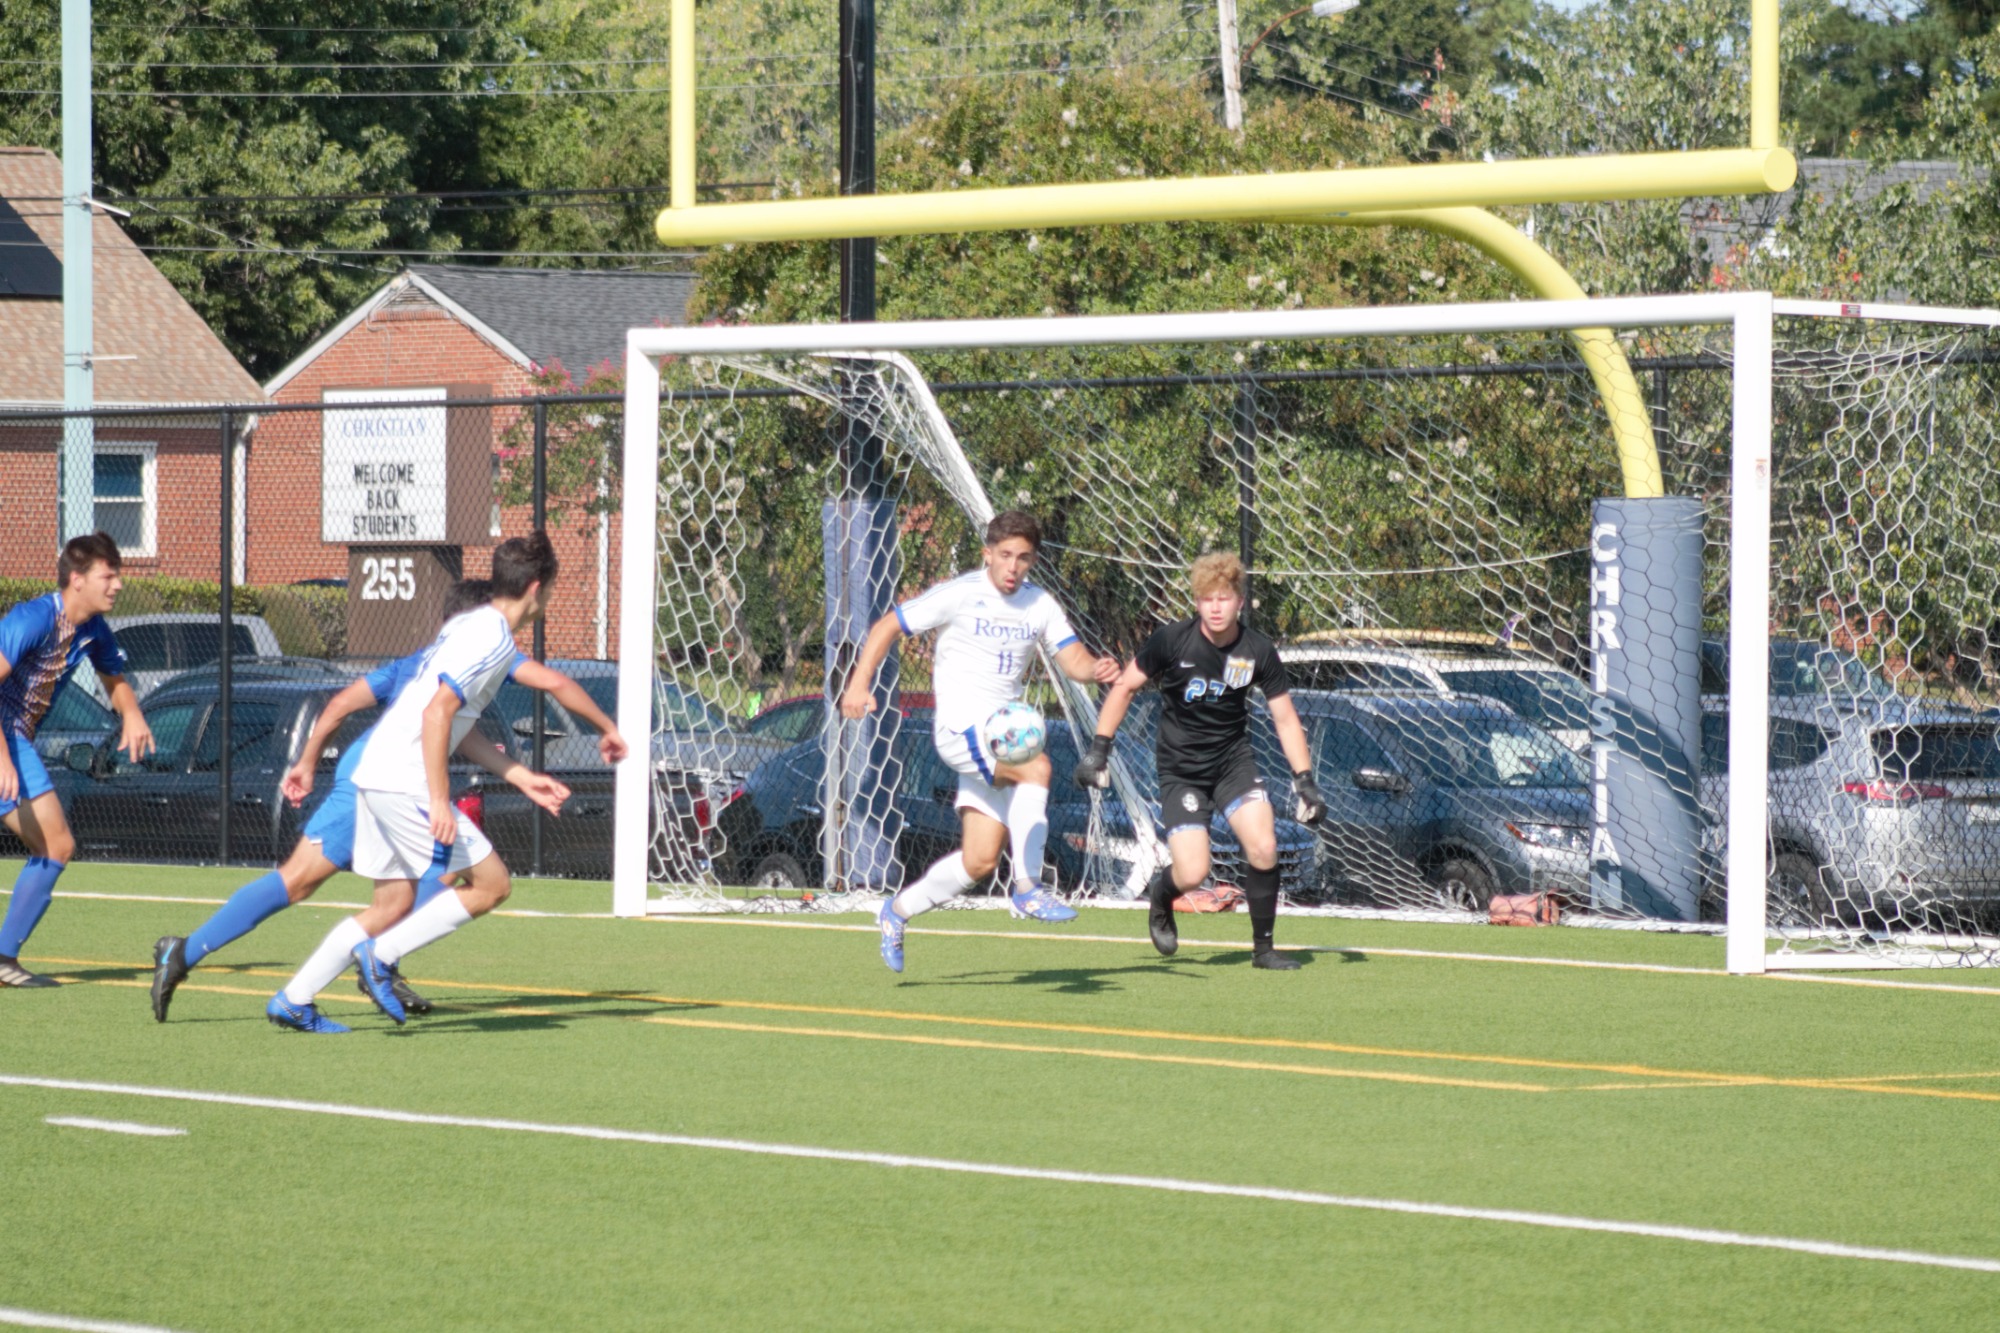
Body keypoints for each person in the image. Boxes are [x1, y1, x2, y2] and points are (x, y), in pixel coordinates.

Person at [147, 579, 611, 1022]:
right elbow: (552, 682)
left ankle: (373, 964)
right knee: (310, 881)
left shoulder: (419, 661)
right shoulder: (485, 649)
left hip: (374, 771)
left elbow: (342, 706)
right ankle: (198, 953)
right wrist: (607, 730)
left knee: (427, 878)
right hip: (380, 780)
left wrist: (308, 762)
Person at [269, 532, 626, 1033]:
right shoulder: (491, 638)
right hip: (405, 780)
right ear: (536, 588)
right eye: (551, 589)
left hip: (377, 772)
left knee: (392, 903)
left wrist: (521, 776)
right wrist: (439, 800)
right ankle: (380, 958)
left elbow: (458, 726)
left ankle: (294, 999)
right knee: (493, 884)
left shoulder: (469, 626)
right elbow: (437, 714)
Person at [841, 510, 1120, 973]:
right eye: (1005, 555)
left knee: (979, 861)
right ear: (986, 554)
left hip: (999, 735)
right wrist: (858, 684)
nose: (1013, 566)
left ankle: (896, 912)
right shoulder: (960, 594)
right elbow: (886, 626)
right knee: (1038, 767)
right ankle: (1028, 887)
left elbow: (1073, 659)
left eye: (1023, 558)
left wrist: (1095, 668)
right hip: (960, 730)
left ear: (1033, 561)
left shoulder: (1040, 604)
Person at [1073, 552, 1325, 970]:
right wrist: (1099, 749)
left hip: (1233, 764)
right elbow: (1124, 687)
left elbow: (1284, 717)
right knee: (1192, 872)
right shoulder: (1171, 641)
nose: (1216, 607)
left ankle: (1263, 950)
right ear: (1196, 601)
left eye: (1224, 598)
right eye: (1207, 598)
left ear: (1239, 601)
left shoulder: (1258, 650)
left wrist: (1305, 780)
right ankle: (1161, 895)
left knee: (1265, 846)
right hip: (1182, 771)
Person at [0, 532, 154, 988]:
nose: (118, 584)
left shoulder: (92, 629)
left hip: (15, 740)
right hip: (7, 737)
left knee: (55, 846)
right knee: (56, 844)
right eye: (108, 575)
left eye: (117, 575)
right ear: (77, 579)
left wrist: (132, 714)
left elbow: (114, 679)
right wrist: (3, 758)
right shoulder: (34, 619)